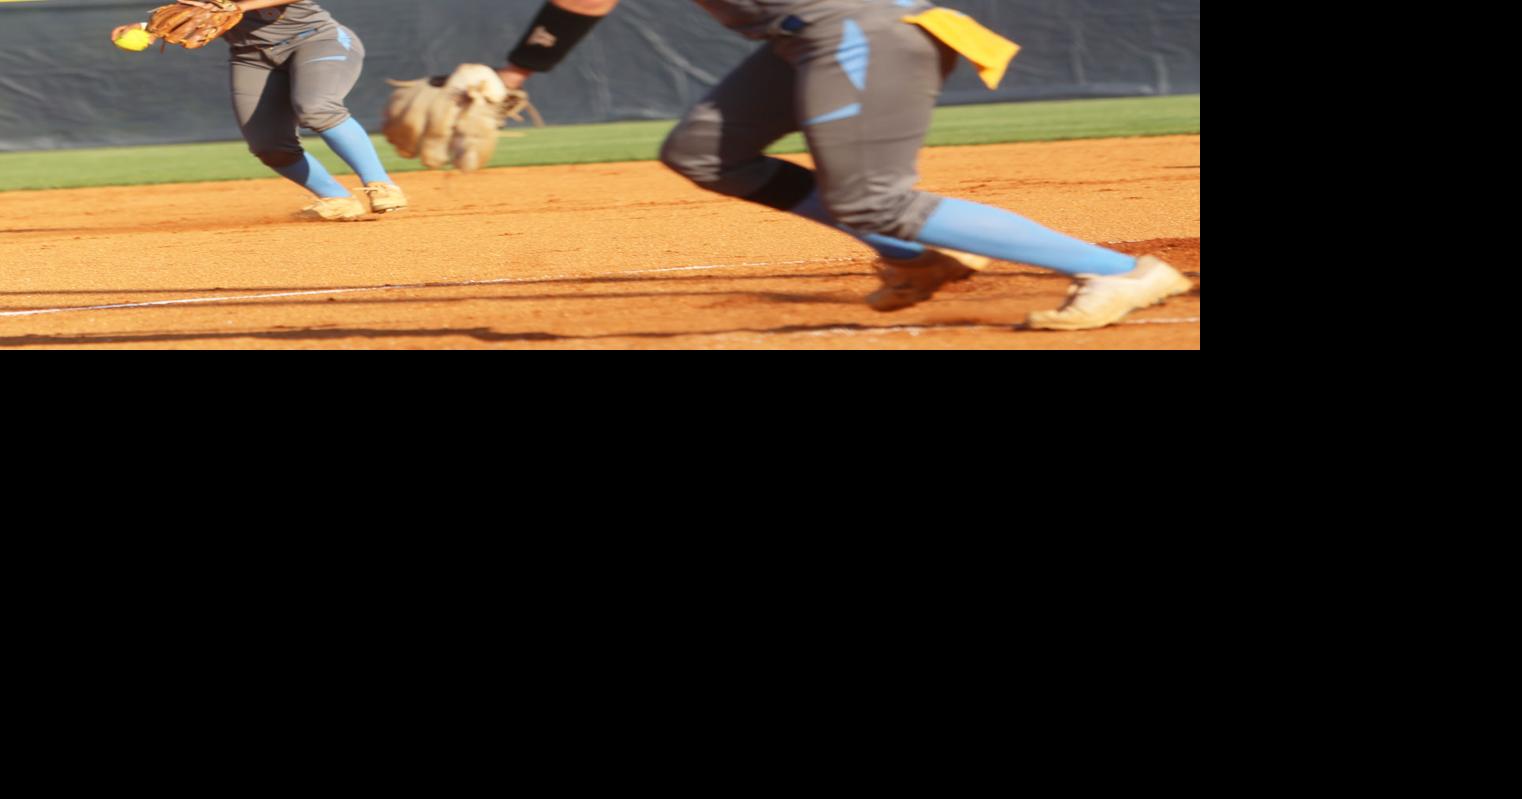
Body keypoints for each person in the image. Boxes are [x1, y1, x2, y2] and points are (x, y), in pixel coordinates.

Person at [491, 0, 1193, 330]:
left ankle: (1120, 271)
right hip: (808, 37)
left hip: (858, 31)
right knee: (703, 151)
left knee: (875, 196)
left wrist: (514, 73)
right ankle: (919, 257)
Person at [112, 0, 407, 221]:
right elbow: (187, 13)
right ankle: (336, 199)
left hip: (317, 40)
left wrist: (236, 7)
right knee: (268, 145)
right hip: (251, 56)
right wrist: (145, 29)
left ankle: (381, 184)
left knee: (317, 108)